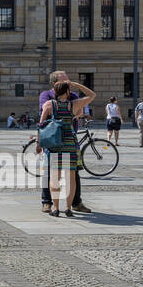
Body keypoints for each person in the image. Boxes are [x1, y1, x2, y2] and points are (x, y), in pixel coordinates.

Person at [38, 72, 93, 214]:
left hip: (55, 145)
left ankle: (56, 208)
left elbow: (41, 125)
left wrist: (38, 142)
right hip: (70, 144)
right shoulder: (73, 103)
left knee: (54, 177)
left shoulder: (49, 104)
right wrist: (76, 85)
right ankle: (67, 207)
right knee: (71, 178)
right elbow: (92, 95)